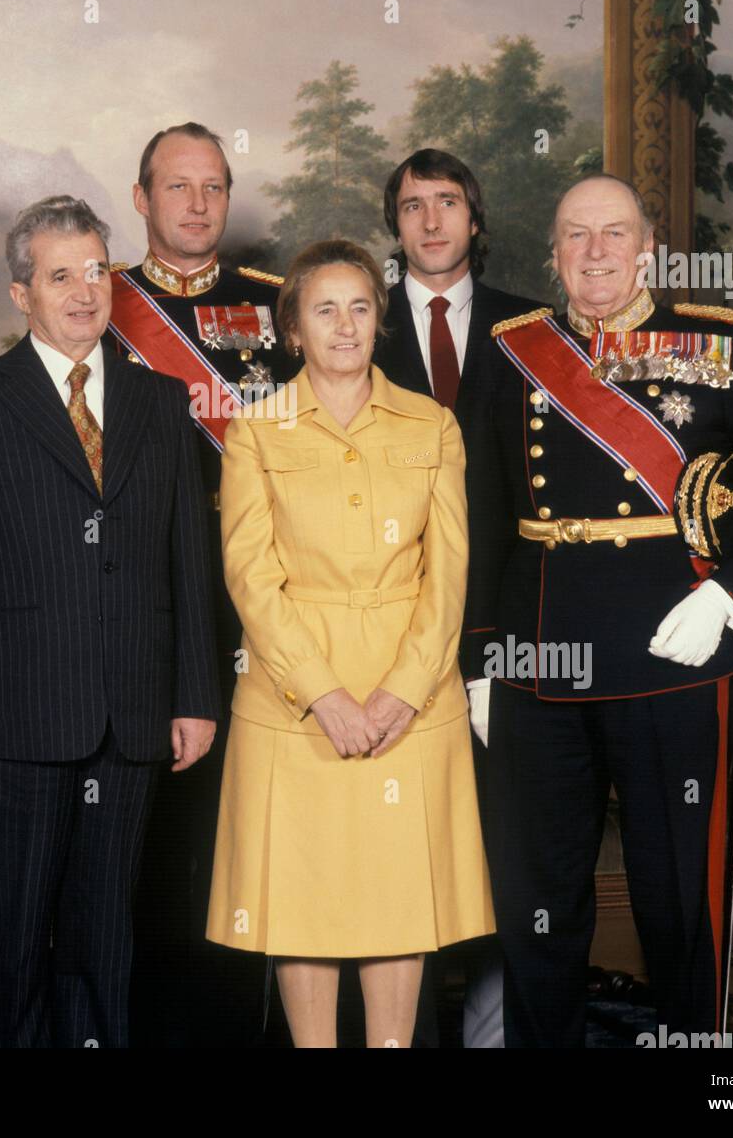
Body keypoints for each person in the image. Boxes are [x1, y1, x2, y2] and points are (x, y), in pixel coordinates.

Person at [474, 173, 733, 1046]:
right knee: (536, 901)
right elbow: (479, 514)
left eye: (613, 234)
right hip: (536, 657)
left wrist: (729, 593)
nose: (595, 253)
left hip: (674, 649)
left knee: (678, 894)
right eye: (575, 236)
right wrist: (479, 655)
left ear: (647, 248)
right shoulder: (509, 349)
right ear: (553, 252)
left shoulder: (719, 345)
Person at [0, 194, 218, 1048]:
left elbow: (187, 563)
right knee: (11, 940)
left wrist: (194, 695)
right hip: (14, 716)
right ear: (22, 295)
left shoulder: (163, 403)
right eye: (60, 276)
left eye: (96, 271)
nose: (84, 292)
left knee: (106, 936)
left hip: (131, 717)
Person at [206, 239, 495, 1048]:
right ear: (292, 328)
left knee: (395, 902)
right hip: (294, 703)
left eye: (361, 307)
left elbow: (450, 576)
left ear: (381, 321)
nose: (344, 325)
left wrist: (403, 692)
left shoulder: (431, 423)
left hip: (412, 697)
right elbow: (250, 579)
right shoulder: (256, 430)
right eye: (324, 309)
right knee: (306, 903)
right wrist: (324, 695)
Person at [107, 121, 297, 1045]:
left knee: (250, 817)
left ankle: (238, 1028)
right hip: (138, 596)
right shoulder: (93, 303)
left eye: (213, 187)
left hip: (260, 589)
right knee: (152, 822)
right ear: (140, 199)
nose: (195, 203)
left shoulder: (279, 307)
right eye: (176, 187)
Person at [373, 148, 542, 1048]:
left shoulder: (532, 328)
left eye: (447, 204)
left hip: (511, 628)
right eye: (411, 207)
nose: (431, 222)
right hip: (388, 636)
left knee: (502, 851)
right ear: (394, 227)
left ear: (475, 218)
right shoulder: (359, 329)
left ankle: (491, 1037)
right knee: (402, 851)